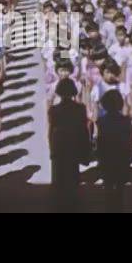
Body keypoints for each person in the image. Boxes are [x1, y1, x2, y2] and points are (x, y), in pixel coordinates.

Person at [48, 78, 91, 212]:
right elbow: (84, 130)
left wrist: (51, 148)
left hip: (60, 145)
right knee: (73, 176)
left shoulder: (54, 110)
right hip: (74, 145)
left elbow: (50, 131)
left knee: (59, 179)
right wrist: (85, 149)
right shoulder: (80, 109)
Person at [96, 90, 132, 212]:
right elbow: (129, 141)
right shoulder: (126, 121)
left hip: (107, 158)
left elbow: (100, 141)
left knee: (108, 188)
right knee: (120, 189)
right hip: (121, 158)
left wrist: (99, 158)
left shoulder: (101, 121)